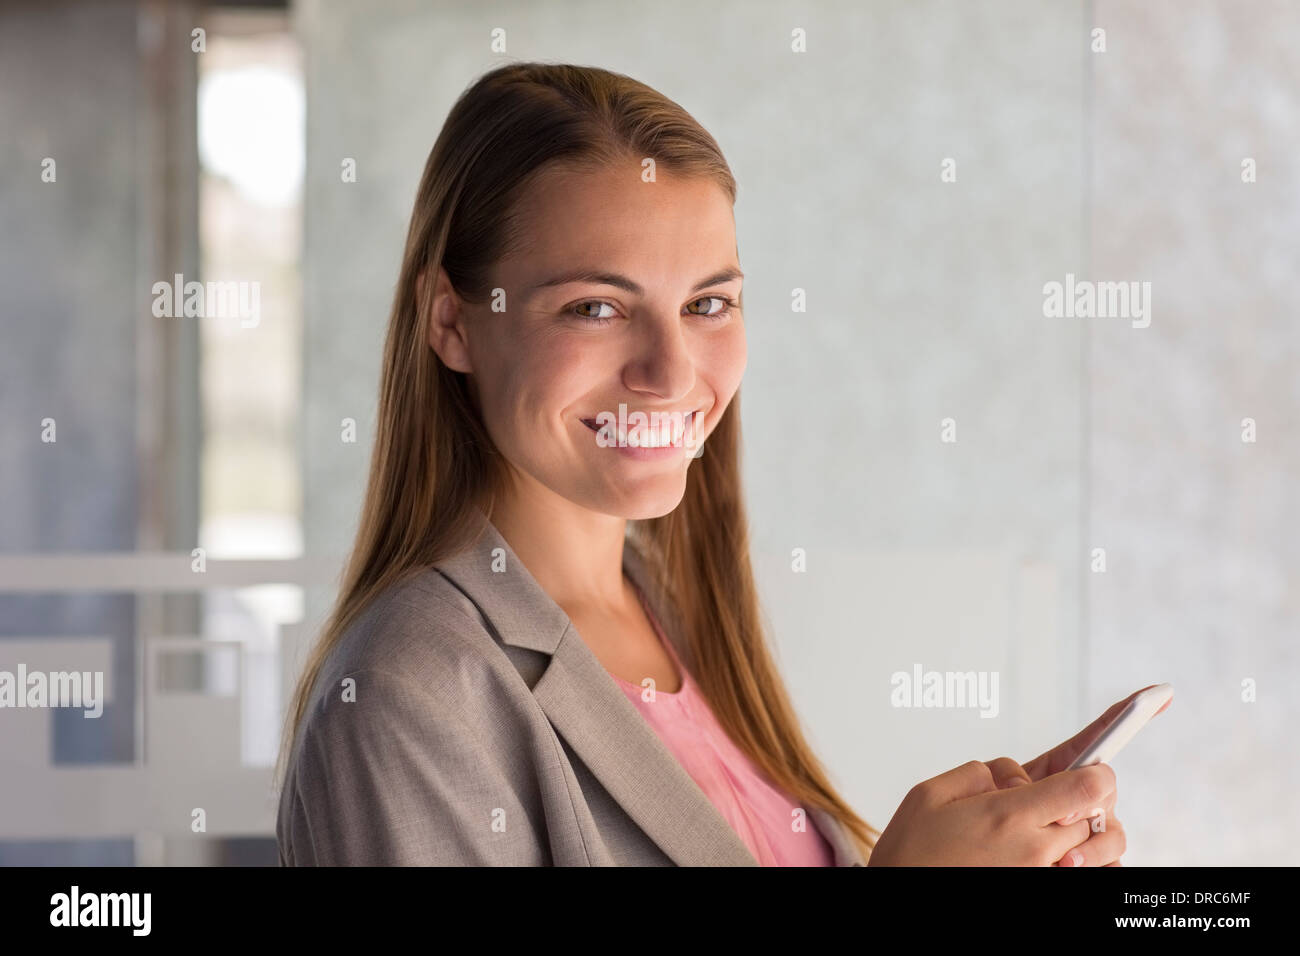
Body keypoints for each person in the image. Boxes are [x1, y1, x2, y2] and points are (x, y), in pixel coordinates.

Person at [275, 61, 1134, 866]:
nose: (673, 372)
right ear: (452, 323)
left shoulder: (680, 611)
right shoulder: (411, 691)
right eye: (596, 306)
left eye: (708, 303)